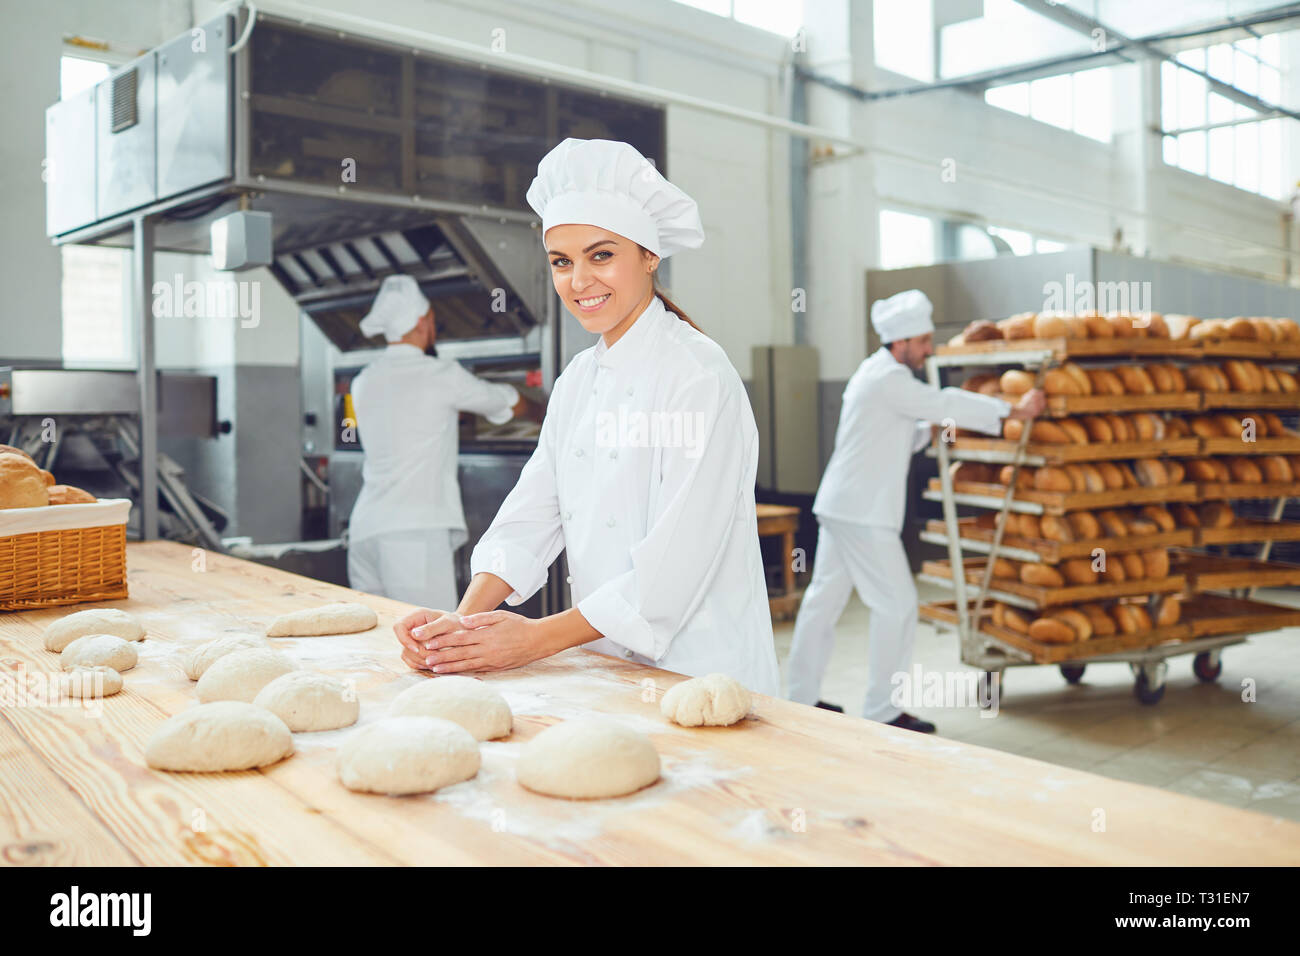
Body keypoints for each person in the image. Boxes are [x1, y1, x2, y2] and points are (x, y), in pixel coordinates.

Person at [392, 138, 780, 696]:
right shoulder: (578, 378)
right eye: (561, 262)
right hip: (606, 662)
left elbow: (677, 564)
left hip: (700, 670)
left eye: (602, 255)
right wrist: (464, 624)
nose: (579, 282)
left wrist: (533, 640)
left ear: (650, 255)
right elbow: (532, 511)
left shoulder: (698, 374)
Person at [786, 289, 1046, 732]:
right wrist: (1010, 410)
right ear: (902, 342)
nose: (929, 350)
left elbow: (903, 433)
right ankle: (883, 712)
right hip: (862, 512)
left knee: (821, 606)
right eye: (923, 342)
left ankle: (799, 700)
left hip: (843, 504)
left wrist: (941, 426)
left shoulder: (877, 374)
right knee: (899, 605)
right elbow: (940, 403)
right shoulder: (889, 380)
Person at [347, 274, 533, 610]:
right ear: (422, 321)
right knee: (431, 639)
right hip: (413, 533)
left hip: (365, 531)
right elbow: (502, 401)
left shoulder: (363, 380)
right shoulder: (439, 374)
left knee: (375, 640)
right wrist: (540, 405)